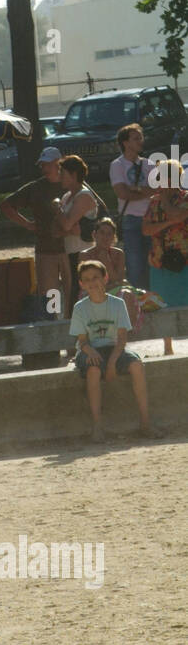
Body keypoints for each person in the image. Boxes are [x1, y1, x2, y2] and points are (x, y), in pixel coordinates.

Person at [70, 259, 159, 443]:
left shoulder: (118, 304)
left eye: (96, 277)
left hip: (114, 348)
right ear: (81, 284)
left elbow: (122, 339)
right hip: (90, 350)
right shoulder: (80, 308)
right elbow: (82, 342)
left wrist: (111, 363)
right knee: (93, 370)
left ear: (105, 278)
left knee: (136, 365)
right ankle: (97, 426)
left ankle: (145, 422)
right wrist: (91, 352)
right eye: (86, 279)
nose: (92, 282)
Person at [0, 147, 70, 317]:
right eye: (42, 166)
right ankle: (53, 323)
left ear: (59, 164)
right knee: (50, 294)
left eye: (48, 165)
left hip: (70, 248)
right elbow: (6, 206)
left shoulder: (72, 185)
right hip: (46, 249)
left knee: (72, 290)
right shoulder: (35, 188)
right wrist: (27, 224)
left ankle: (72, 322)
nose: (44, 169)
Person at [110, 123, 154, 291]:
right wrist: (145, 191)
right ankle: (138, 302)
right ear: (125, 143)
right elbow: (121, 193)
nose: (140, 141)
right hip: (131, 221)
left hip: (150, 219)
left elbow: (157, 189)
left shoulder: (149, 164)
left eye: (141, 137)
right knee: (135, 266)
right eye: (136, 138)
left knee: (152, 262)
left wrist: (134, 189)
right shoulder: (117, 165)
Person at [141, 157, 188, 315]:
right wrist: (168, 224)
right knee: (161, 307)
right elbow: (146, 229)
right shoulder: (154, 202)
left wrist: (166, 200)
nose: (158, 181)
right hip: (159, 261)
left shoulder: (185, 197)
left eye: (161, 177)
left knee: (184, 305)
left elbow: (177, 215)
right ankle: (167, 341)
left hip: (183, 261)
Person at [55, 154, 98, 309]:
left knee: (80, 294)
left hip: (82, 254)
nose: (59, 176)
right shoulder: (67, 197)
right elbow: (61, 228)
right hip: (68, 252)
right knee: (71, 294)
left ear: (73, 175)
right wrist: (68, 228)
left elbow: (65, 225)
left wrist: (57, 208)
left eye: (62, 173)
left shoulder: (84, 196)